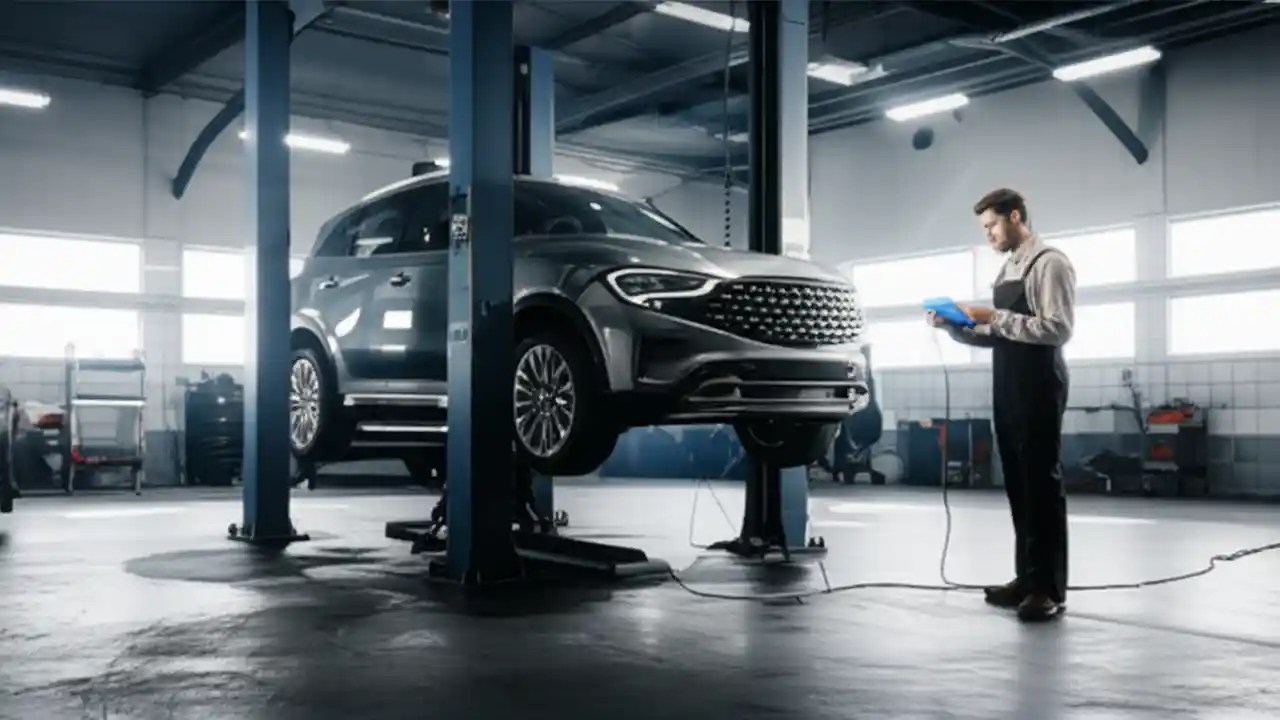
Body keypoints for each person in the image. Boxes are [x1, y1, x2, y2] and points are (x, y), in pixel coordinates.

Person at [927, 188, 1076, 622]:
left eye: (992, 225)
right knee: (1017, 481)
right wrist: (957, 326)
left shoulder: (1049, 262)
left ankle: (1048, 588)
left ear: (1015, 217)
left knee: (1041, 484)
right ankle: (1026, 578)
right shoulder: (1009, 267)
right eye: (985, 228)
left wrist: (990, 316)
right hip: (1008, 383)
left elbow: (1056, 328)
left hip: (1039, 384)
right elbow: (1003, 334)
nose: (989, 234)